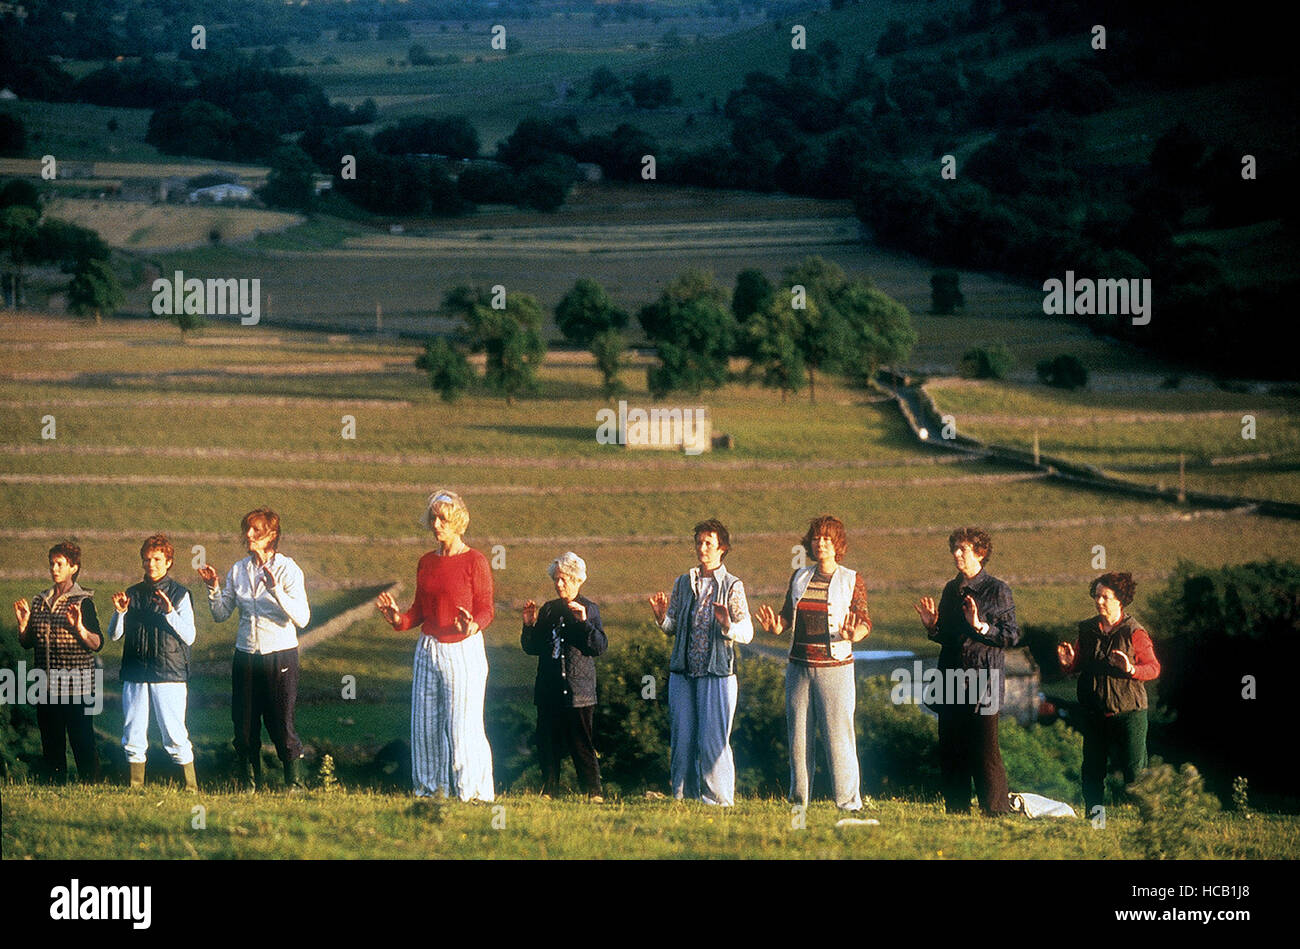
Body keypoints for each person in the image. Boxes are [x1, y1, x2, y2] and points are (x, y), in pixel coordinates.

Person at [376, 489, 495, 802]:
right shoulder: (426, 562)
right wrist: (396, 618)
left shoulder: (476, 561)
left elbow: (486, 609)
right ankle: (429, 791)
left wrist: (472, 625)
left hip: (463, 649)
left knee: (462, 727)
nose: (437, 524)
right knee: (424, 725)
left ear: (457, 522)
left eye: (443, 519)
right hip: (428, 649)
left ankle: (473, 794)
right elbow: (417, 611)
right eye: (433, 518)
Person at [755, 515, 871, 811]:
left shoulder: (852, 579)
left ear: (838, 544)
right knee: (798, 740)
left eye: (827, 539)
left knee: (838, 738)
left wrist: (853, 634)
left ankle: (849, 803)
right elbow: (785, 617)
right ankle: (798, 801)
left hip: (836, 667)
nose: (821, 544)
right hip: (798, 668)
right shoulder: (799, 577)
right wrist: (775, 627)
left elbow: (864, 620)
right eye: (817, 538)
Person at [198, 508, 311, 791]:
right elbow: (222, 614)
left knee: (281, 723)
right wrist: (213, 588)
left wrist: (275, 590)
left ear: (271, 536)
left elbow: (302, 618)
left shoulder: (288, 569)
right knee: (244, 724)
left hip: (281, 655)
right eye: (246, 530)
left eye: (255, 531)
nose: (248, 535)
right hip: (246, 655)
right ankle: (250, 783)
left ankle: (294, 783)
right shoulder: (238, 570)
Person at [913, 527, 1019, 816]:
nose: (956, 554)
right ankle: (956, 811)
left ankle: (996, 812)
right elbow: (948, 636)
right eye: (954, 548)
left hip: (984, 680)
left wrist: (980, 626)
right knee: (951, 750)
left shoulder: (998, 590)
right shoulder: (951, 589)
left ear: (980, 553)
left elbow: (1011, 636)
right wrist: (932, 626)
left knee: (985, 752)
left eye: (963, 549)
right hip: (949, 679)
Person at [648, 518, 753, 806]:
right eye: (699, 542)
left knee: (712, 741)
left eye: (709, 543)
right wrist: (661, 618)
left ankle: (718, 800)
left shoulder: (732, 586)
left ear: (722, 549)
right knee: (682, 739)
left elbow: (747, 632)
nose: (702, 548)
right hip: (683, 672)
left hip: (717, 674)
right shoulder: (683, 583)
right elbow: (672, 628)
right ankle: (684, 797)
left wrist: (727, 625)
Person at [1057, 572, 1160, 814]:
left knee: (1134, 771)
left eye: (1105, 597)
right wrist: (1069, 663)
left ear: (1120, 600)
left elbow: (1154, 668)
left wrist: (1131, 668)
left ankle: (1148, 819)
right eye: (1096, 596)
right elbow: (1078, 666)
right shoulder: (1087, 630)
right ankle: (1094, 818)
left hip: (1129, 712)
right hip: (1095, 712)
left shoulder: (1134, 632)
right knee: (1092, 770)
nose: (1099, 601)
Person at [109, 534, 197, 791]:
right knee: (133, 732)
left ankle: (190, 788)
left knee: (174, 733)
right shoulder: (132, 594)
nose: (151, 564)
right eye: (147, 559)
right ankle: (135, 786)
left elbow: (190, 636)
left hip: (169, 673)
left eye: (157, 559)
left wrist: (170, 612)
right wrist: (120, 612)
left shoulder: (180, 594)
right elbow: (115, 635)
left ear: (168, 562)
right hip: (135, 672)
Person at [12, 541, 103, 783]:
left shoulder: (83, 602)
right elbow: (27, 642)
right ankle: (54, 786)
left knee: (82, 742)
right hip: (46, 686)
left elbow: (96, 643)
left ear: (73, 568)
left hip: (78, 687)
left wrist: (79, 628)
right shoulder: (39, 601)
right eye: (52, 563)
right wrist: (23, 626)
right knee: (51, 744)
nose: (54, 568)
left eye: (60, 564)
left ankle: (91, 788)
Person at [521, 552, 608, 801]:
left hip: (579, 691)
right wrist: (529, 625)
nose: (559, 584)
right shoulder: (548, 610)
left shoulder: (589, 609)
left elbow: (599, 647)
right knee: (547, 742)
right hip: (549, 688)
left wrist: (583, 623)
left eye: (565, 579)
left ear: (578, 580)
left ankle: (593, 792)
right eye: (556, 579)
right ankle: (549, 790)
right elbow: (533, 648)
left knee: (582, 743)